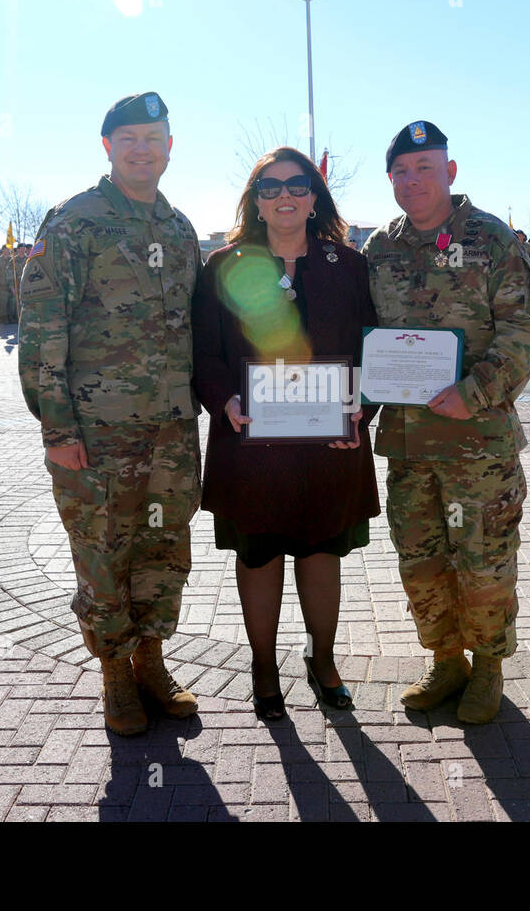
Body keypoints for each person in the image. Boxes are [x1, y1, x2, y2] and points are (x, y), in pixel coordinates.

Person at [18, 91, 201, 737]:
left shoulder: (180, 231)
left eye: (154, 138)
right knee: (102, 555)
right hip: (97, 436)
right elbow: (43, 332)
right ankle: (115, 675)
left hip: (172, 434)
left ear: (170, 147)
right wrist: (58, 429)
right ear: (108, 148)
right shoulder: (75, 223)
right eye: (129, 138)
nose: (142, 149)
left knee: (162, 549)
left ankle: (152, 659)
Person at [363, 121, 530, 724]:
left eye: (425, 166)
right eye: (401, 171)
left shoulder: (492, 239)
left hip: (478, 441)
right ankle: (445, 660)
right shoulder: (381, 249)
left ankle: (489, 665)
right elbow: (362, 339)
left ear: (451, 171)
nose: (412, 179)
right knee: (420, 558)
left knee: (485, 558)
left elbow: (527, 326)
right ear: (390, 179)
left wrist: (476, 392)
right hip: (409, 443)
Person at [192, 147, 379, 719]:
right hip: (251, 445)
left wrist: (360, 408)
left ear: (315, 196)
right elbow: (205, 352)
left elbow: (373, 345)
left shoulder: (348, 265)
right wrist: (223, 398)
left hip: (330, 442)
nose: (284, 196)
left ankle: (322, 661)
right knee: (259, 555)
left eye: (297, 185)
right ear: (255, 200)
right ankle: (264, 667)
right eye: (270, 188)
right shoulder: (225, 265)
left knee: (323, 552)